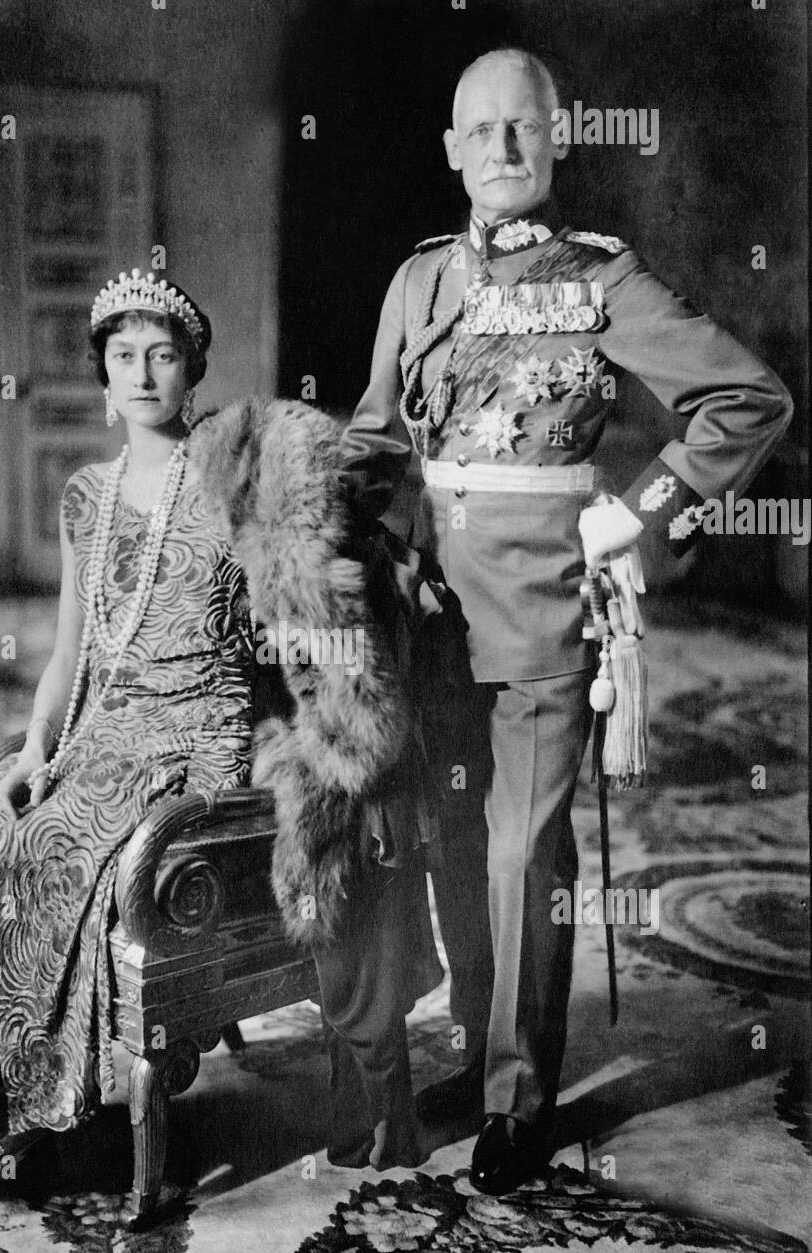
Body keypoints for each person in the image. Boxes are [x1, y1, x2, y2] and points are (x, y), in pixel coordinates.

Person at [0, 269, 438, 1233]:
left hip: (193, 744)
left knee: (23, 870)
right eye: (124, 356)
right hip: (99, 735)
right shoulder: (84, 496)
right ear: (102, 377)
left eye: (163, 355)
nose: (143, 374)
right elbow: (70, 654)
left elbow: (315, 619)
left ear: (192, 372)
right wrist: (34, 748)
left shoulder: (240, 480)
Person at [339, 48, 793, 1194]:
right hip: (434, 619)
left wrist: (636, 517)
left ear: (557, 139)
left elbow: (747, 398)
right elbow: (379, 439)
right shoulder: (418, 282)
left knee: (520, 852)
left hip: (544, 614)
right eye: (481, 129)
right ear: (452, 149)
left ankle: (517, 1101)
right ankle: (477, 1051)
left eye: (524, 127)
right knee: (454, 844)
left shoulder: (600, 278)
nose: (503, 148)